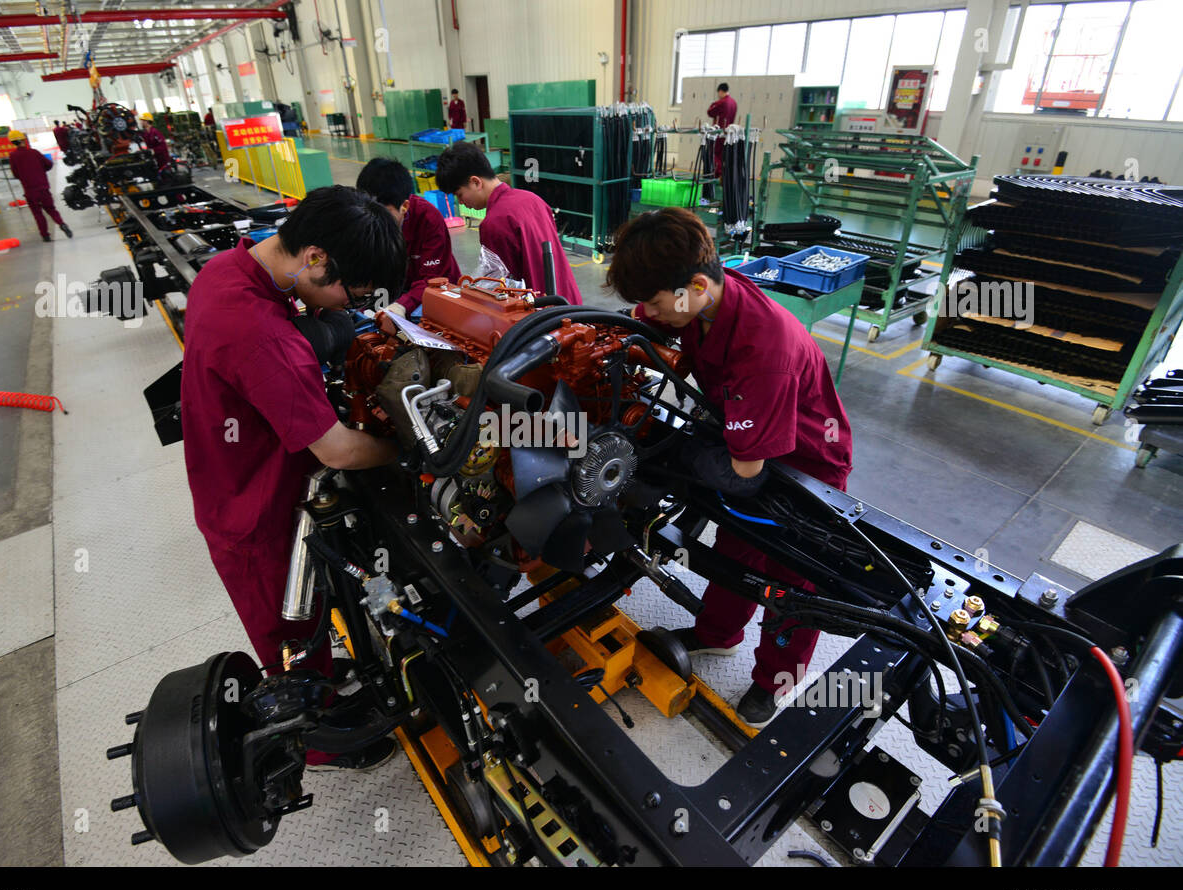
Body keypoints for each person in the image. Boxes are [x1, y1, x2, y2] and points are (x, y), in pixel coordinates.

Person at [181, 186, 406, 771]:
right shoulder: (262, 334)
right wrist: (410, 449)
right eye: (345, 291)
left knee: (306, 619)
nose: (345, 303)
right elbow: (335, 449)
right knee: (290, 631)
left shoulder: (231, 268)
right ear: (314, 257)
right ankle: (321, 742)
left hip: (249, 470)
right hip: (252, 509)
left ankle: (326, 683)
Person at [606, 207, 853, 726]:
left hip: (804, 463)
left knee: (791, 576)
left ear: (696, 285)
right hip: (747, 431)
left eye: (654, 302)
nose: (650, 312)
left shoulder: (765, 348)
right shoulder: (705, 296)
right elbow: (640, 329)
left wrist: (676, 455)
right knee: (737, 545)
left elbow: (745, 471)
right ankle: (718, 636)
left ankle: (773, 680)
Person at [435, 142, 581, 304]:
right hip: (568, 301)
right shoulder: (533, 199)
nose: (461, 203)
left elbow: (501, 288)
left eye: (459, 194)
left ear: (476, 182)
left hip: (540, 313)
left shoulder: (494, 223)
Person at [356, 157, 461, 317]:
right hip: (395, 290)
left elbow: (432, 278)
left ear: (404, 206)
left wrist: (402, 305)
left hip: (436, 289)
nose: (375, 222)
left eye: (384, 214)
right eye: (370, 213)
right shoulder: (364, 218)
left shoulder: (429, 219)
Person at [6, 130, 72, 242]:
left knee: (37, 213)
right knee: (51, 209)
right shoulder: (34, 152)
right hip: (43, 187)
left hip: (30, 190)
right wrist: (41, 171)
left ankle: (45, 235)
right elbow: (49, 164)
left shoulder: (13, 156)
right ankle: (62, 224)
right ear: (23, 140)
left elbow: (16, 173)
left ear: (12, 143)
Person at [707, 82, 738, 178]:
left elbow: (710, 112)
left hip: (719, 133)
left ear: (720, 91)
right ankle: (724, 175)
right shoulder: (734, 102)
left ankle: (717, 174)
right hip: (729, 133)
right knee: (724, 155)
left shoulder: (721, 102)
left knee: (715, 154)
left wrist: (713, 104)